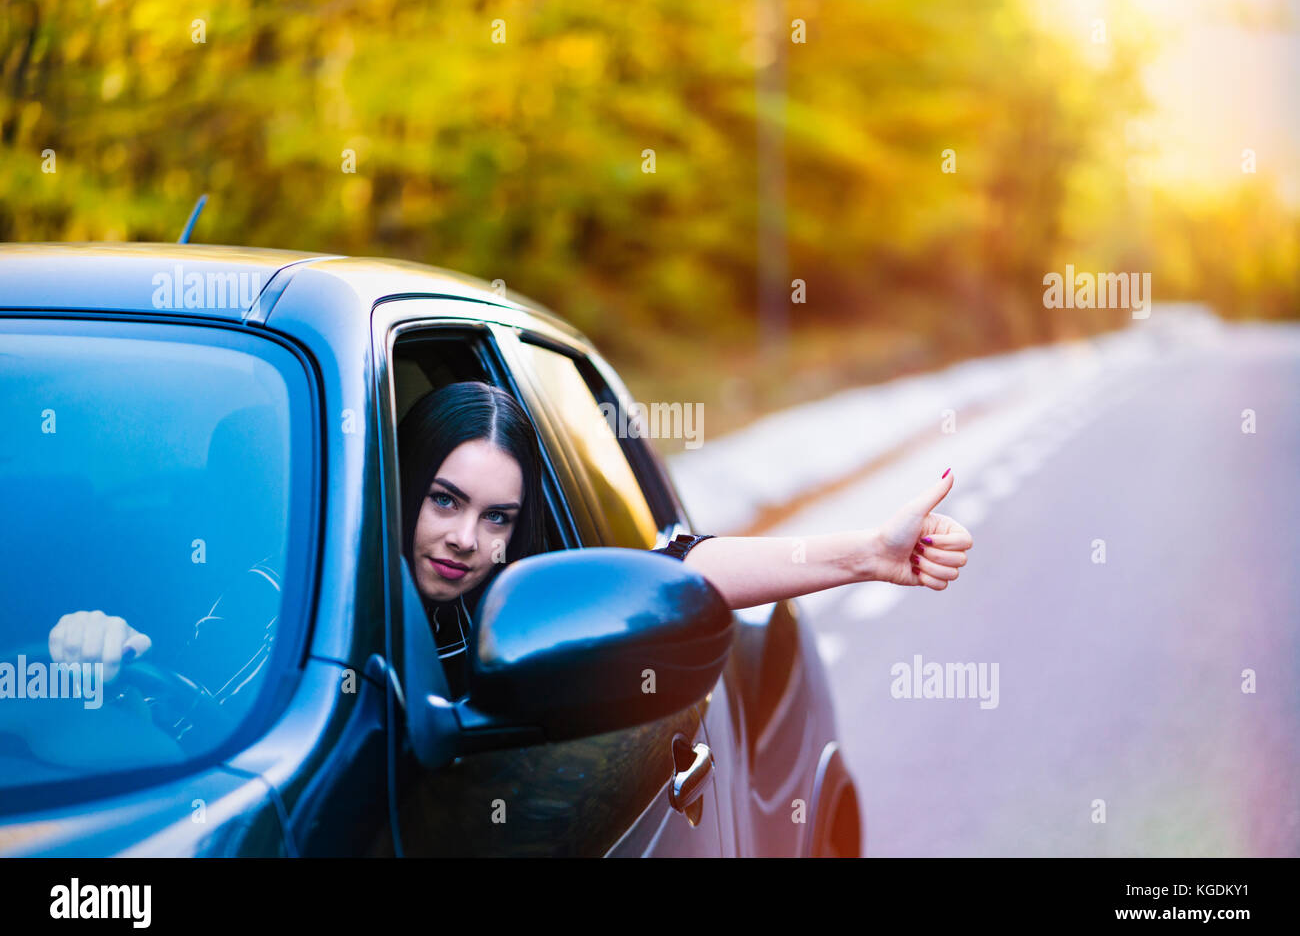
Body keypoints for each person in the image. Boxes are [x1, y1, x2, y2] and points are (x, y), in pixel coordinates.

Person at [48, 380, 974, 702]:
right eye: (443, 501)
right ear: (402, 490)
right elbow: (174, 669)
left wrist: (868, 555)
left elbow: (678, 569)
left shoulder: (516, 597)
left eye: (496, 517)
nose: (463, 540)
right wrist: (96, 645)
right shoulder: (272, 590)